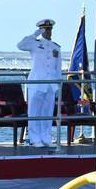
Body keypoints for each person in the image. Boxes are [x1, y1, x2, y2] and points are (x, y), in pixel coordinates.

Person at [16, 19, 63, 148]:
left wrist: (58, 86)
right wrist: (36, 33)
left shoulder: (56, 47)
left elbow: (57, 68)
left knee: (47, 113)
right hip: (36, 84)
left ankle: (46, 137)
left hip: (50, 85)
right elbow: (20, 45)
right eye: (45, 29)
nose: (48, 32)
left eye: (49, 29)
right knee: (34, 112)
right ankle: (34, 138)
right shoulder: (34, 44)